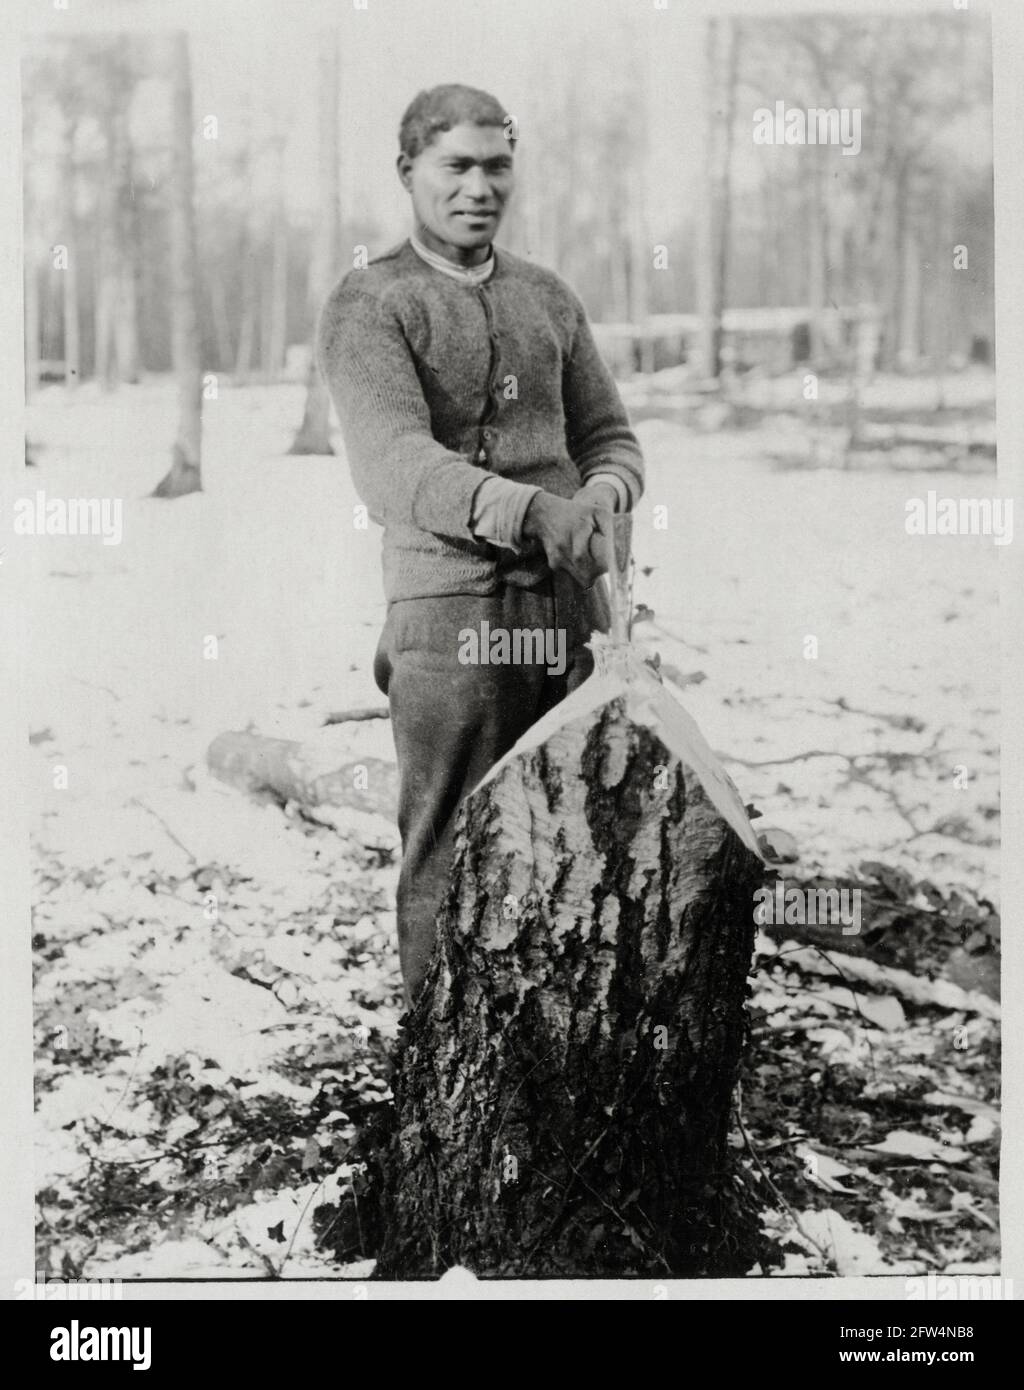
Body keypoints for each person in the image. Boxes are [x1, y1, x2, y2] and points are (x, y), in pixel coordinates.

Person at [317, 83, 645, 1003]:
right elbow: (393, 466)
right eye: (455, 166)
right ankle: (442, 1077)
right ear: (408, 173)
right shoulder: (372, 300)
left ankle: (565, 1072)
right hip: (456, 613)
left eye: (497, 165)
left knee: (584, 840)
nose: (478, 187)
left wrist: (606, 494)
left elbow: (608, 437)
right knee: (452, 847)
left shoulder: (547, 295)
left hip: (575, 611)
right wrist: (530, 511)